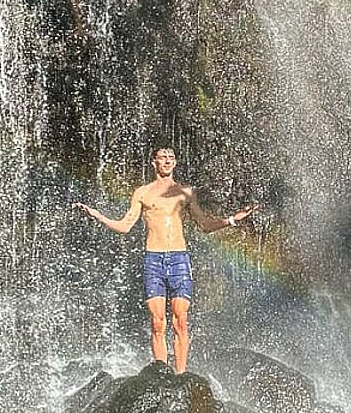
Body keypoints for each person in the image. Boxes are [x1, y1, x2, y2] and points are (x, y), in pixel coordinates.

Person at [72, 146, 256, 373]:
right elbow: (125, 226)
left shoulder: (185, 192)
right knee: (157, 321)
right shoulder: (142, 193)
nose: (167, 161)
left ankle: (180, 375)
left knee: (180, 319)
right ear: (154, 162)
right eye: (163, 158)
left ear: (175, 163)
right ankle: (161, 372)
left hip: (179, 259)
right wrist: (97, 215)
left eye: (171, 158)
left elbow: (205, 225)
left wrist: (232, 220)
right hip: (153, 259)